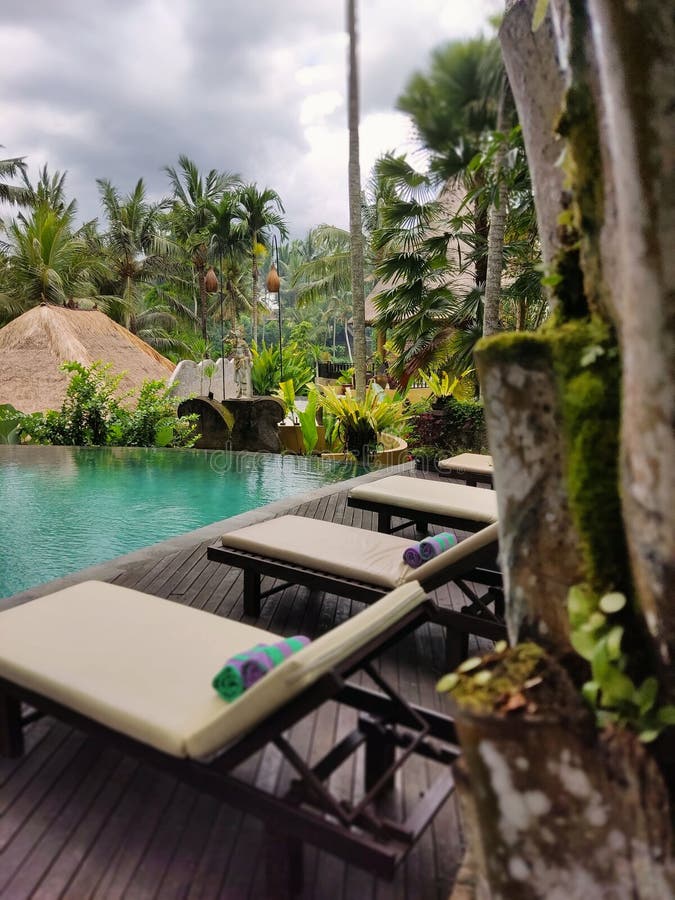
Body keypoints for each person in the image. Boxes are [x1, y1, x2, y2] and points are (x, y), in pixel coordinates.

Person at [232, 331, 253, 399]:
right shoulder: (234, 343)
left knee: (242, 377)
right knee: (237, 378)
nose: (236, 333)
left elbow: (248, 351)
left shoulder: (243, 342)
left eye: (237, 332)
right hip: (236, 361)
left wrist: (251, 360)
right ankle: (239, 393)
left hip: (242, 361)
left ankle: (244, 393)